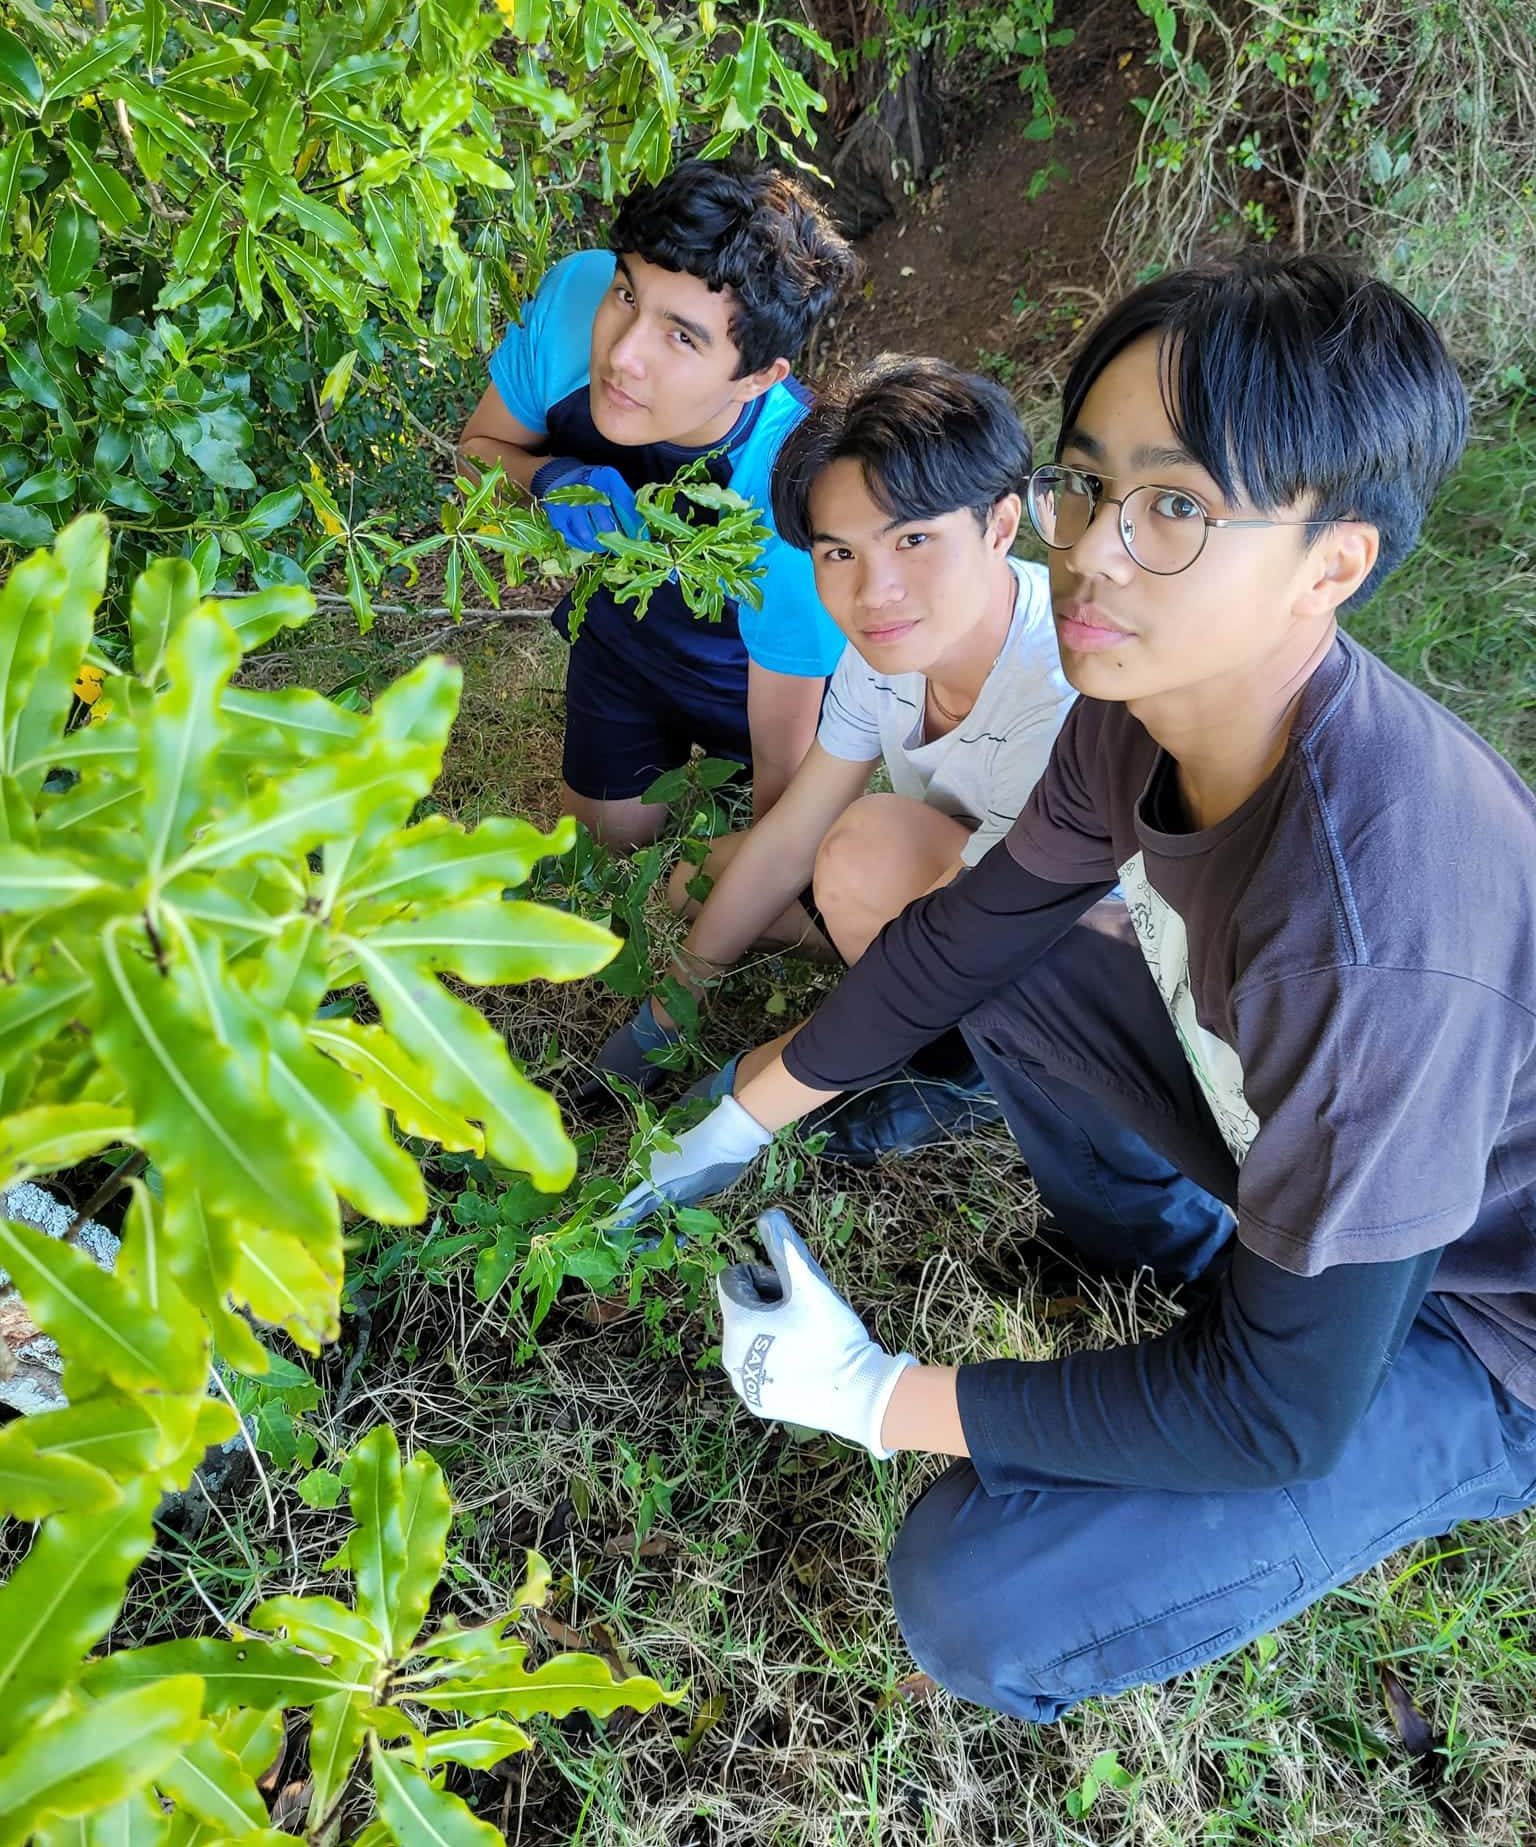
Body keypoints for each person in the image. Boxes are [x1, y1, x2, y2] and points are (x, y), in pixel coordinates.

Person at [607, 251, 1536, 1721]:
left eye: (1178, 507)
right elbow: (968, 934)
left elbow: (1276, 1415)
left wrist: (876, 1393)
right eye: (1090, 485)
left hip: (1487, 1316)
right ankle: (1163, 1249)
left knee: (978, 1590)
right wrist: (739, 1113)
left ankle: (1311, 1348)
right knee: (1011, 958)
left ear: (1332, 563)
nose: (1093, 551)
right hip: (1338, 1186)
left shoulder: (1371, 924)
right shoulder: (1143, 708)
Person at [577, 356, 1075, 1129]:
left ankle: (958, 1078)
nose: (874, 592)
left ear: (1000, 525)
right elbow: (789, 835)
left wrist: (770, 1077)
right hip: (956, 893)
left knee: (861, 851)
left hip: (1050, 971)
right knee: (698, 880)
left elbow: (975, 942)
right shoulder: (881, 655)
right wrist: (667, 1013)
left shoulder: (1057, 698)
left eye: (912, 539)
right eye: (839, 553)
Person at [458, 159, 857, 852]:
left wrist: (762, 859)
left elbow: (783, 771)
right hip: (625, 637)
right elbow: (476, 454)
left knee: (755, 854)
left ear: (758, 377)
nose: (623, 354)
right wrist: (543, 475)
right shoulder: (574, 298)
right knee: (592, 862)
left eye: (682, 336)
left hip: (757, 684)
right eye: (627, 295)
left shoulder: (797, 487)